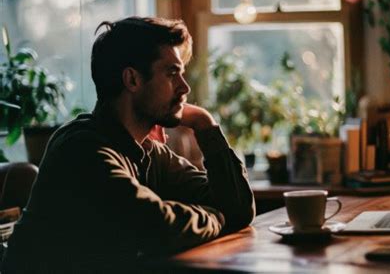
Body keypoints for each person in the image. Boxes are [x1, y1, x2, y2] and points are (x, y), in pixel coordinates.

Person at [2, 17, 255, 273]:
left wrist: (205, 124)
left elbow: (240, 208)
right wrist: (217, 218)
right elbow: (152, 224)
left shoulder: (147, 151)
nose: (184, 87)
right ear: (132, 80)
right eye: (171, 73)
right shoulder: (80, 148)